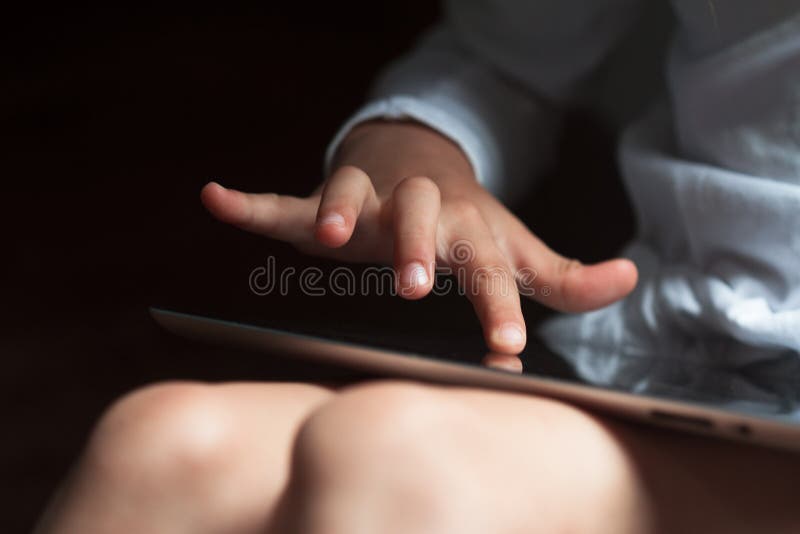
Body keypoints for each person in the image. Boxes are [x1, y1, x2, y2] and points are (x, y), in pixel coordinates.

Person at [36, 1, 800, 532]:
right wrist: (417, 150)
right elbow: (501, 61)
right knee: (163, 443)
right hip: (678, 371)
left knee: (403, 460)